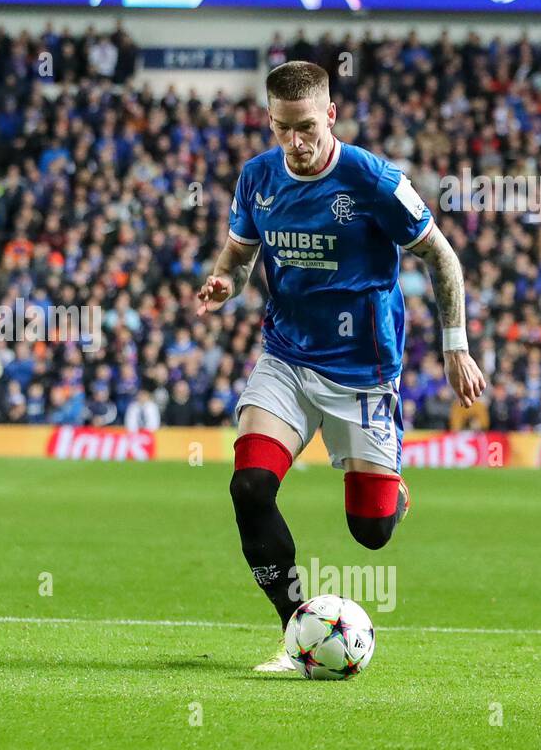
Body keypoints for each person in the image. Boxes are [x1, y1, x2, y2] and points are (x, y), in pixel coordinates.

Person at [196, 61, 486, 674]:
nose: (295, 144)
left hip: (363, 372)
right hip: (287, 358)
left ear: (330, 115)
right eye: (281, 129)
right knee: (249, 485)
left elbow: (441, 256)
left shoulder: (374, 180)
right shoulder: (258, 178)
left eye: (305, 127)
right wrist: (225, 279)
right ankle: (296, 625)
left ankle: (391, 490)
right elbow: (241, 253)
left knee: (371, 533)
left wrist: (455, 345)